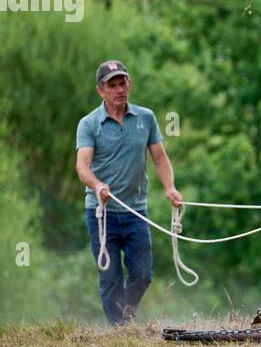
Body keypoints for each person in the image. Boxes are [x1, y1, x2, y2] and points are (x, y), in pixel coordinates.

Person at [74, 60, 182, 325]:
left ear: (130, 84)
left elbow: (159, 158)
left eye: (123, 83)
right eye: (113, 85)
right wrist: (97, 185)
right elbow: (82, 166)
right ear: (101, 90)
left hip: (136, 211)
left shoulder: (146, 118)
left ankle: (123, 318)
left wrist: (170, 187)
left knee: (143, 274)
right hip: (101, 214)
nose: (120, 89)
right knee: (109, 277)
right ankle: (121, 329)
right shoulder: (88, 124)